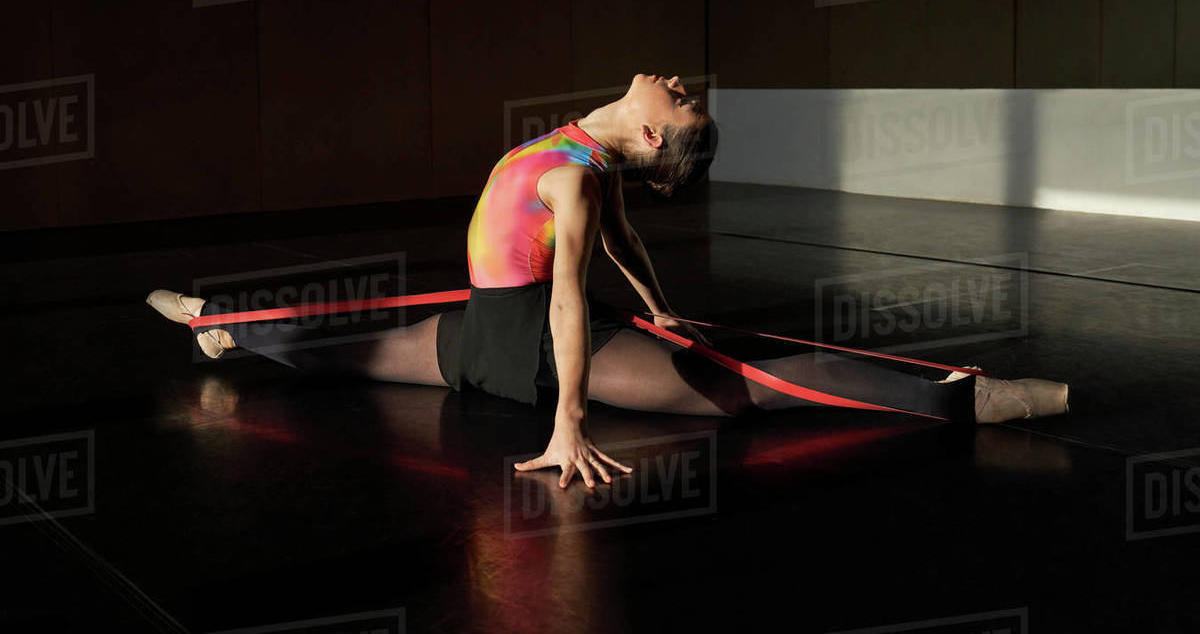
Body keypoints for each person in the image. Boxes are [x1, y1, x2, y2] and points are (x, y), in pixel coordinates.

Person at [148, 73, 1069, 490]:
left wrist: (570, 425)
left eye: (681, 98)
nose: (672, 80)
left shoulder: (580, 177)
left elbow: (567, 296)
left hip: (530, 349)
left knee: (749, 384)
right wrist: (660, 303)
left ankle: (966, 401)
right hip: (486, 331)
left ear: (658, 135)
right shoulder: (584, 156)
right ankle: (220, 326)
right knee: (347, 342)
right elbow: (625, 243)